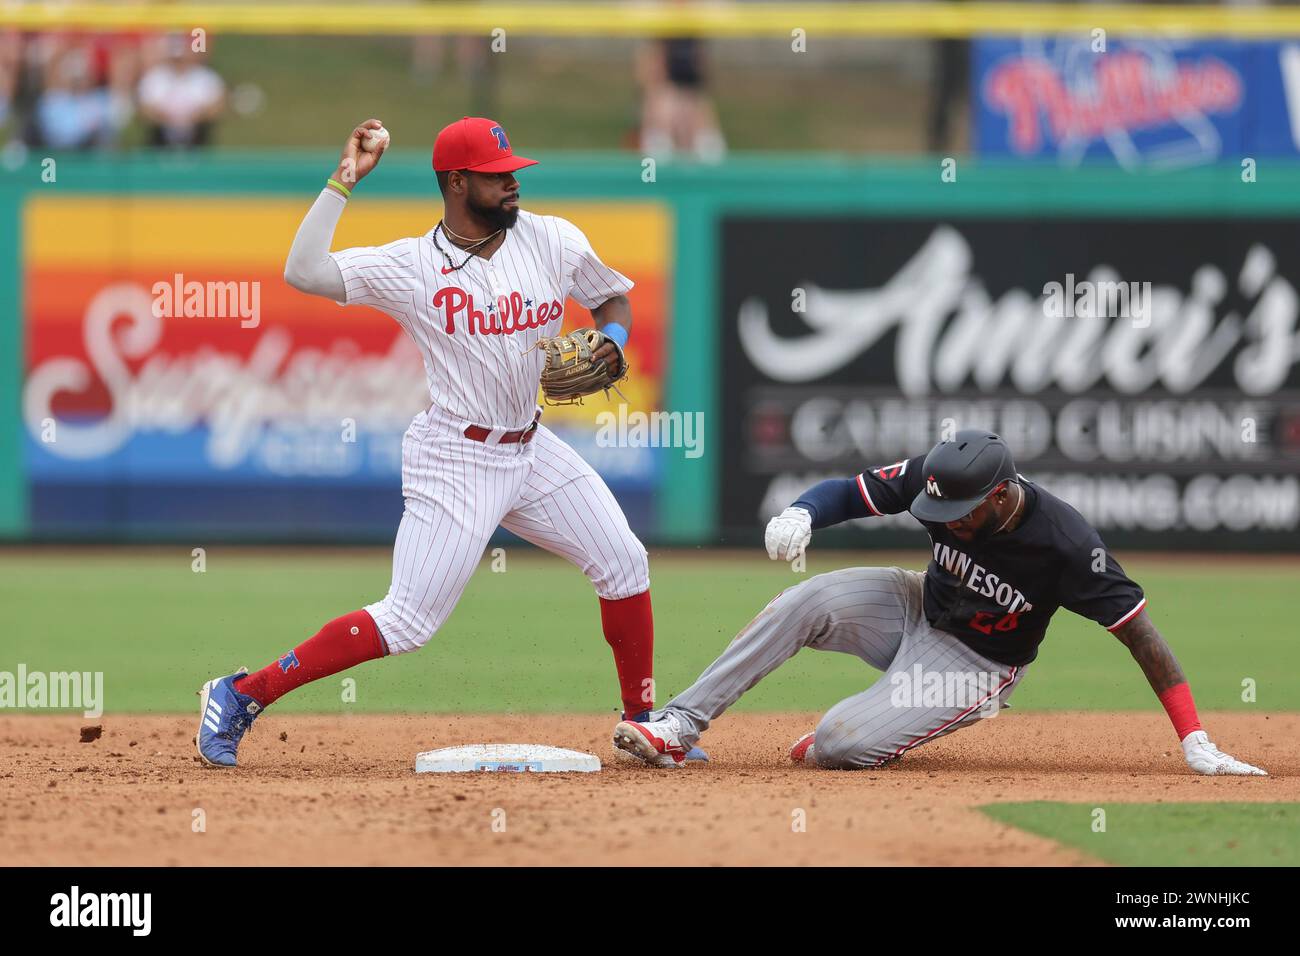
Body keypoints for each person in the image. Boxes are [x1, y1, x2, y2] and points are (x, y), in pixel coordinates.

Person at [194, 116, 704, 766]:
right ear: (458, 183)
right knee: (407, 620)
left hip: (532, 448)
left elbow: (611, 300)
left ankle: (642, 726)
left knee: (625, 562)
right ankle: (240, 693)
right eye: (498, 177)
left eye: (515, 173)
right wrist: (344, 179)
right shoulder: (411, 266)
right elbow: (304, 271)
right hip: (456, 457)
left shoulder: (551, 239)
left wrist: (614, 340)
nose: (513, 185)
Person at [613, 430, 1266, 776]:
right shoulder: (943, 474)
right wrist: (803, 512)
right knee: (802, 601)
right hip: (917, 604)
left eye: (960, 512)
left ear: (1001, 495)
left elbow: (1140, 635)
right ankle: (678, 727)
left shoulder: (1066, 544)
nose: (945, 519)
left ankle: (881, 722)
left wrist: (1195, 737)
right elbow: (852, 491)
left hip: (978, 663)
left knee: (839, 746)